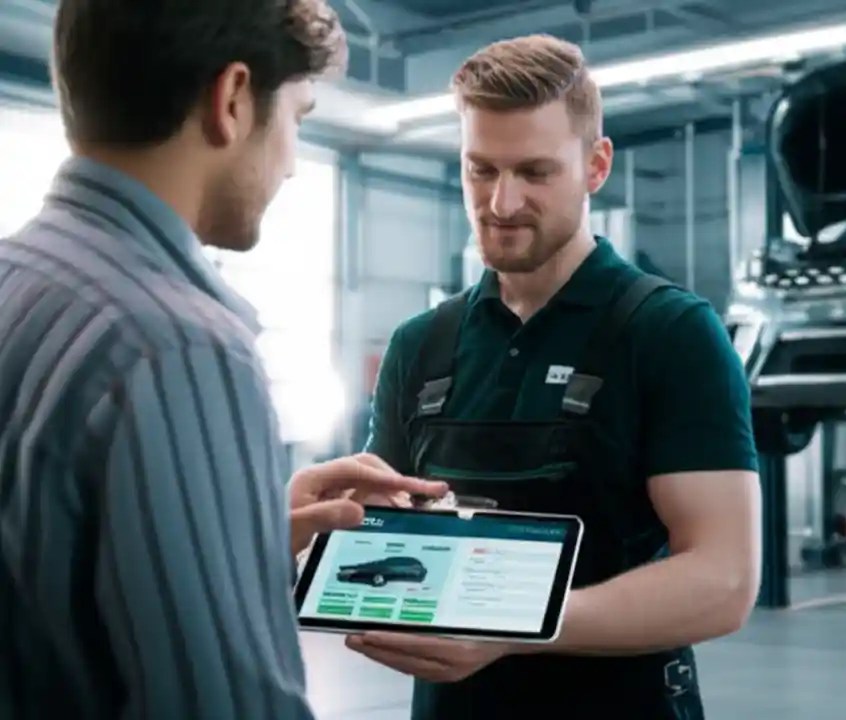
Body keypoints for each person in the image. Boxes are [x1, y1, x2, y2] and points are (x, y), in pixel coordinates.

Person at [0, 1, 448, 719]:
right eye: (298, 118)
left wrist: (242, 532)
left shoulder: (19, 280)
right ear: (233, 99)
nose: (295, 165)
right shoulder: (175, 343)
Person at [352, 34, 763, 719]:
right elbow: (385, 536)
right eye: (480, 170)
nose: (502, 202)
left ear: (595, 165)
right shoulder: (420, 345)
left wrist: (516, 628)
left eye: (535, 172)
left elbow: (724, 581)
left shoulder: (670, 334)